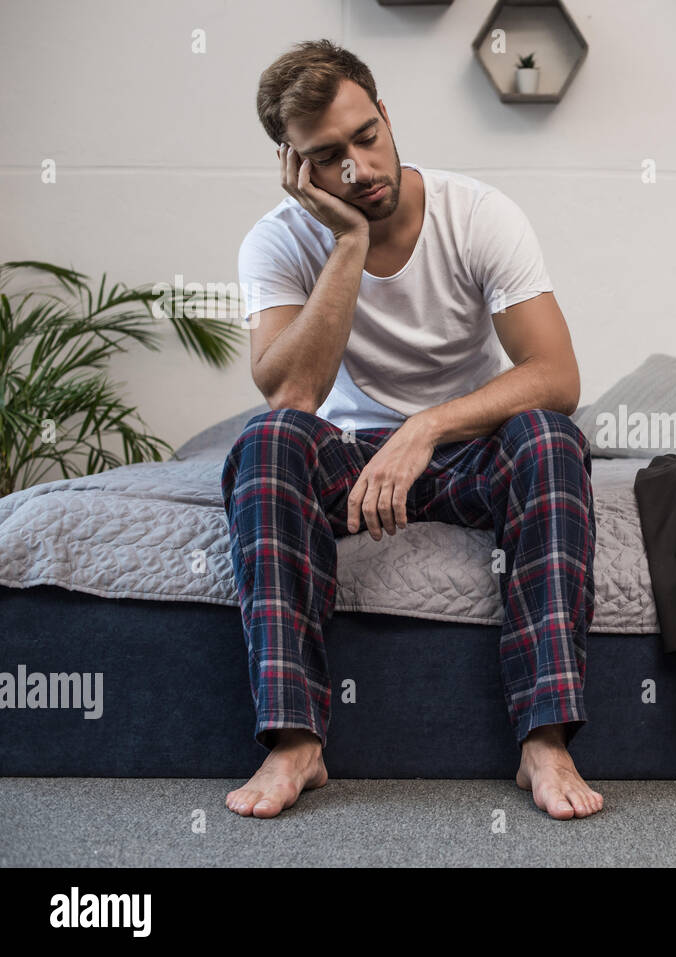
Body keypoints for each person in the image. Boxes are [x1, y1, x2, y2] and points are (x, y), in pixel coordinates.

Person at [221, 39, 601, 821]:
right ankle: (295, 740)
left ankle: (546, 737)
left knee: (551, 440)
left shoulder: (478, 214)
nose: (360, 168)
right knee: (265, 446)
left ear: (387, 116)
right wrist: (348, 246)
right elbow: (291, 394)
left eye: (367, 136)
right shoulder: (278, 241)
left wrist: (427, 426)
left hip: (464, 449)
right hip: (351, 461)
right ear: (296, 168)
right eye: (329, 157)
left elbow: (557, 374)